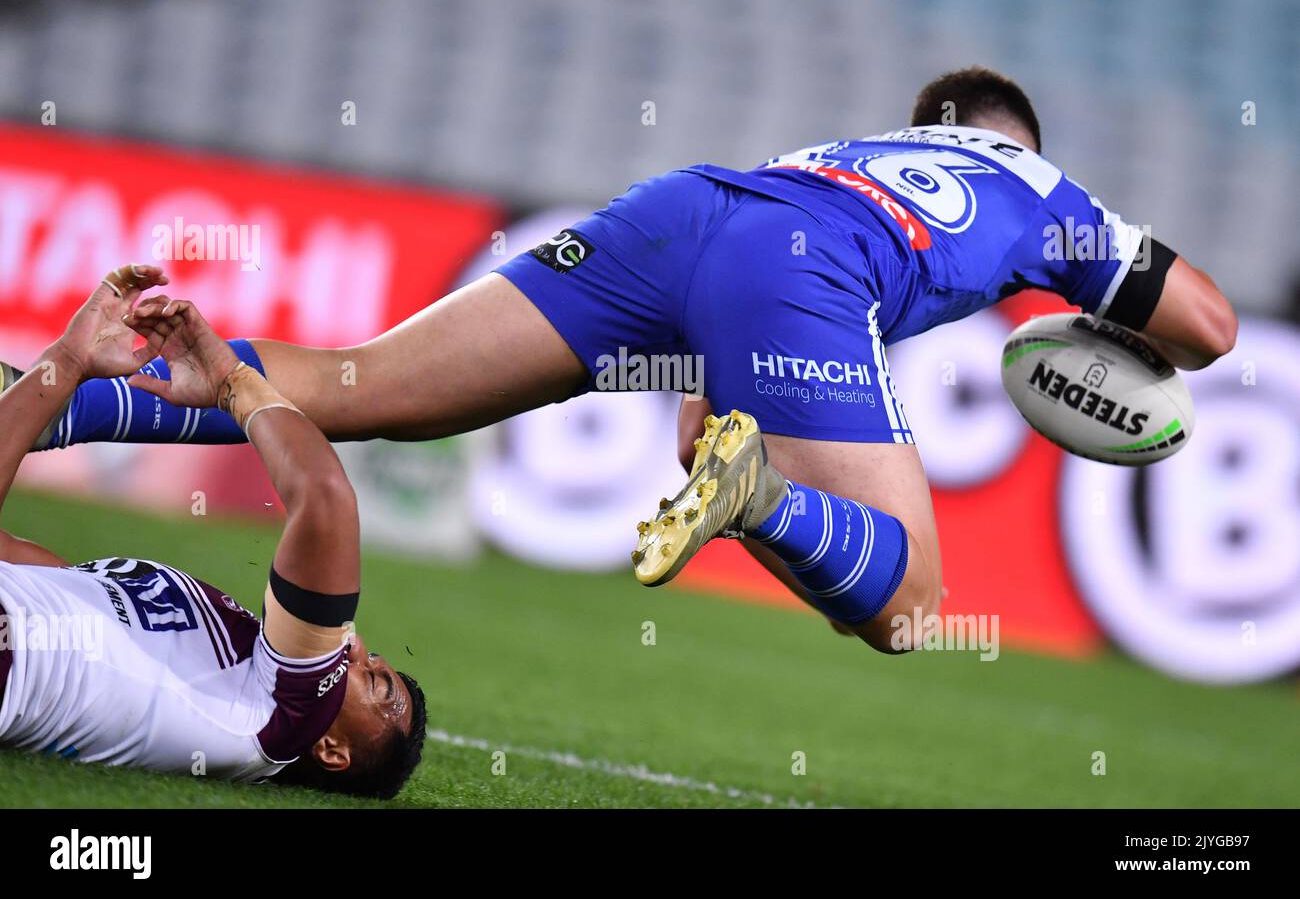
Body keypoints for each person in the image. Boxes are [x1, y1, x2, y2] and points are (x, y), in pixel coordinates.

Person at [8, 67, 1237, 651]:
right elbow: (1211, 327)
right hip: (797, 270)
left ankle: (53, 391)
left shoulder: (849, 148)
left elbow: (719, 365)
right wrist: (1108, 315)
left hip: (692, 209)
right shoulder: (1036, 186)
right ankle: (758, 499)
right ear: (1015, 141)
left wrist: (713, 451)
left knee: (358, 385)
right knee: (913, 604)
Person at [0, 265, 426, 797]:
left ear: (332, 750)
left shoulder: (286, 718)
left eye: (378, 685)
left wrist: (234, 384)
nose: (359, 649)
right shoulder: (231, 650)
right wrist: (65, 365)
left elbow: (326, 499)